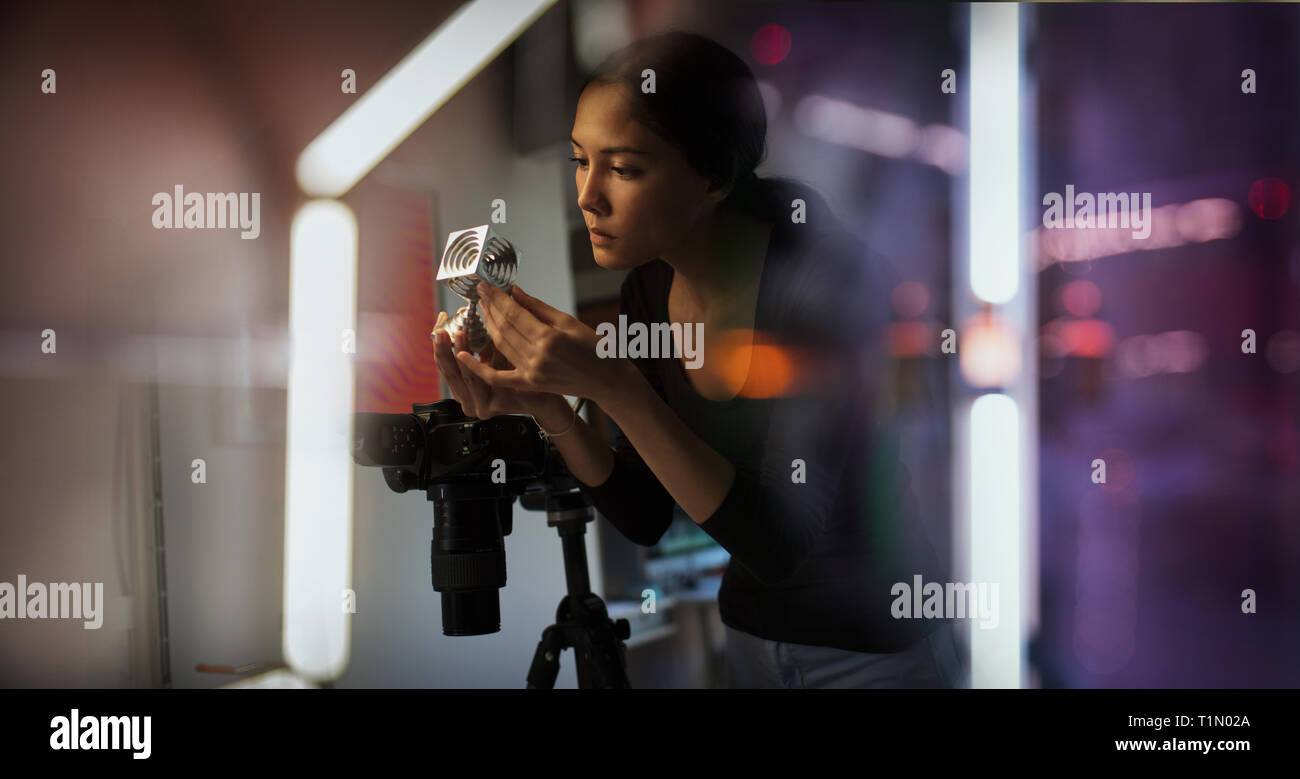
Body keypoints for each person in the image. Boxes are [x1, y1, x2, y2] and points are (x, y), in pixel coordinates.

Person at [432, 31, 965, 688]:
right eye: (579, 160)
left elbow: (777, 541)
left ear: (712, 175)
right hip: (748, 644)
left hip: (873, 654)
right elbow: (647, 511)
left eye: (624, 168)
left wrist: (613, 383)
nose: (588, 195)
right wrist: (549, 403)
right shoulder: (649, 288)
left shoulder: (822, 288)